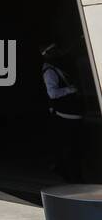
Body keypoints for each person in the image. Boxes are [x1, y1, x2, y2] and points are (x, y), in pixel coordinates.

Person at [42, 43, 84, 182]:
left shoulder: (58, 68)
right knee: (69, 146)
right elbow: (52, 93)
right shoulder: (49, 71)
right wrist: (71, 89)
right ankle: (70, 175)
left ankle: (68, 171)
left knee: (71, 145)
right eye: (54, 51)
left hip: (70, 113)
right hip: (64, 114)